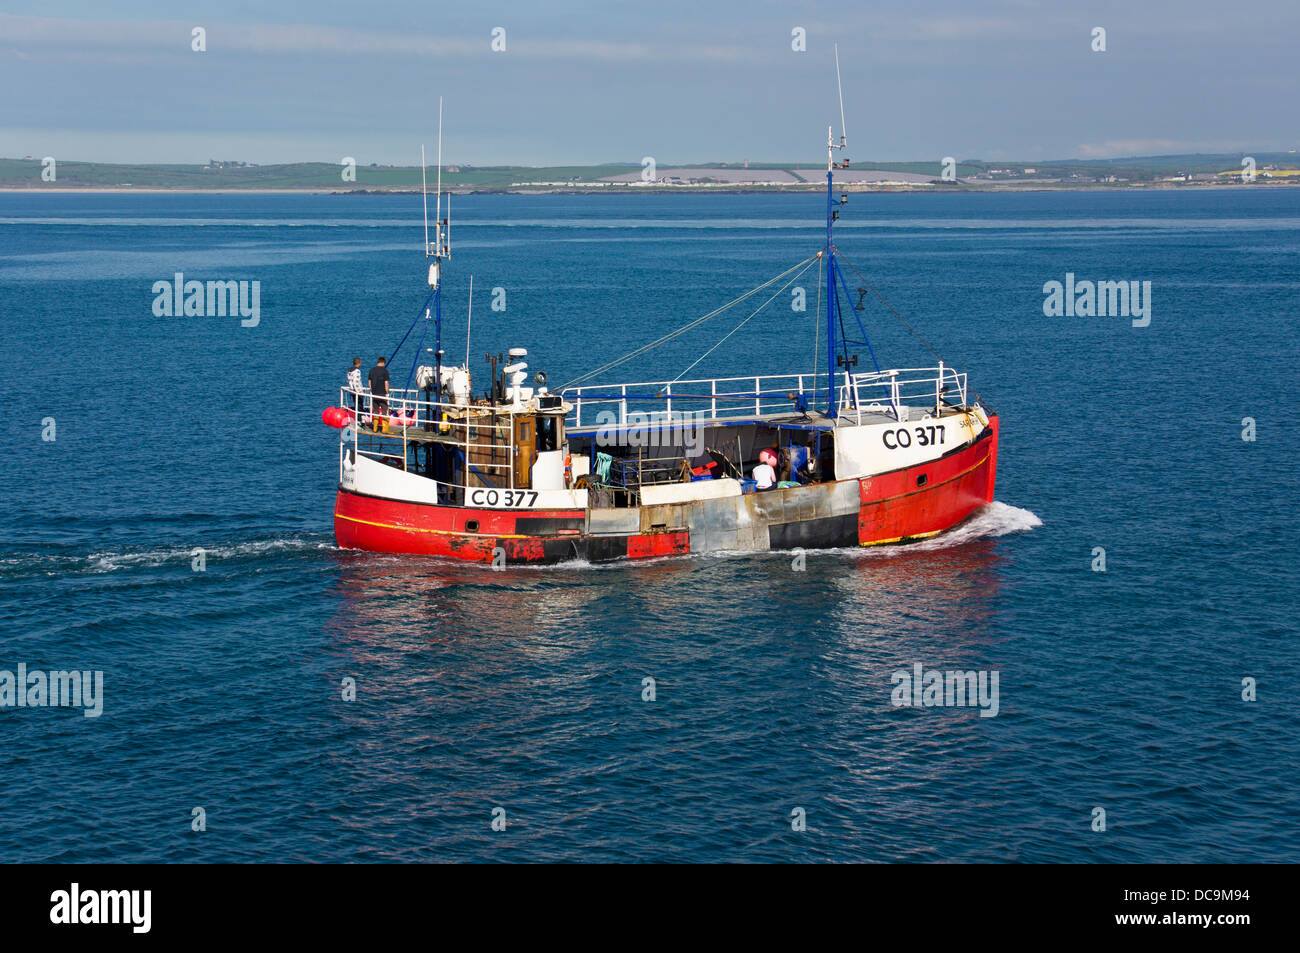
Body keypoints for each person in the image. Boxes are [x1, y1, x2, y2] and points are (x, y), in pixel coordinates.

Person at [368, 356, 390, 431]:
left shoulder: (371, 370)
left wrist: (372, 390)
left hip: (374, 394)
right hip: (382, 394)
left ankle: (375, 428)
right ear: (383, 362)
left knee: (376, 411)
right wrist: (387, 392)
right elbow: (386, 383)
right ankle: (384, 429)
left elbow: (369, 383)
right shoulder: (385, 371)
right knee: (385, 410)